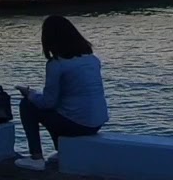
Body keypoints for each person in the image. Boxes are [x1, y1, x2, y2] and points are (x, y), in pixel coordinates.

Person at [14, 16, 108, 170]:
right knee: (59, 109)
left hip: (77, 125)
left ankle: (36, 157)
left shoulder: (57, 64)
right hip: (96, 122)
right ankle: (61, 151)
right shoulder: (92, 59)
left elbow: (48, 102)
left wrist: (29, 93)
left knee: (28, 106)